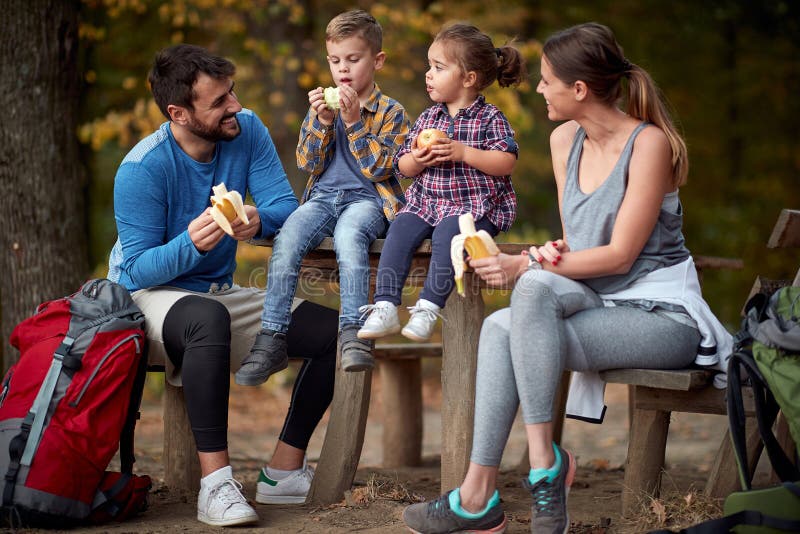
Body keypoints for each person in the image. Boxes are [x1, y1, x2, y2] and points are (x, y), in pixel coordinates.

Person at [402, 22, 733, 534]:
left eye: (547, 80)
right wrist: (547, 254)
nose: (537, 89)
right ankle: (520, 475)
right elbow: (579, 239)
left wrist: (527, 261)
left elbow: (621, 255)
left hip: (660, 316)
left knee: (515, 307)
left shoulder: (649, 145)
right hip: (595, 302)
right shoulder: (563, 141)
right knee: (515, 307)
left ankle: (493, 491)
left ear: (578, 89)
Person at [107, 44, 339, 527]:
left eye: (232, 91)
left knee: (333, 332)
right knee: (205, 319)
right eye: (219, 102)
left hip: (214, 293)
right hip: (144, 299)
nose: (234, 105)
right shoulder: (141, 169)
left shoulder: (246, 128)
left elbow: (285, 206)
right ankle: (216, 487)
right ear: (179, 113)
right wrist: (192, 243)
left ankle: (282, 470)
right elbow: (136, 271)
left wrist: (261, 219)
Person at [234, 9, 410, 378]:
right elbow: (307, 163)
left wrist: (353, 122)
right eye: (334, 61)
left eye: (353, 59)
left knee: (349, 238)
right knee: (288, 238)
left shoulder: (392, 112)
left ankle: (352, 334)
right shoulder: (320, 110)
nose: (342, 69)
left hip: (369, 201)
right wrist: (324, 122)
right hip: (322, 198)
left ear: (377, 61)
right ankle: (272, 337)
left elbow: (381, 169)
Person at [357, 23, 526, 349]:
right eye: (429, 66)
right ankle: (386, 305)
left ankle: (428, 308)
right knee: (400, 229)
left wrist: (463, 152)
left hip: (473, 205)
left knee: (449, 234)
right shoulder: (427, 118)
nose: (428, 74)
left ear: (468, 79)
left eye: (438, 67)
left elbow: (506, 161)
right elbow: (402, 167)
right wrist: (418, 158)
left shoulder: (490, 118)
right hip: (427, 201)